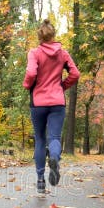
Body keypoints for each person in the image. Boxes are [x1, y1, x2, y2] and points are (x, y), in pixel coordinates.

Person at [22, 19, 80, 193]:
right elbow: (75, 74)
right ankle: (54, 158)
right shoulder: (63, 53)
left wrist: (27, 85)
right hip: (57, 102)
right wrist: (62, 86)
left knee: (40, 140)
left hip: (38, 103)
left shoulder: (34, 53)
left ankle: (40, 180)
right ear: (53, 35)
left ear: (40, 36)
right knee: (54, 137)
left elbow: (31, 72)